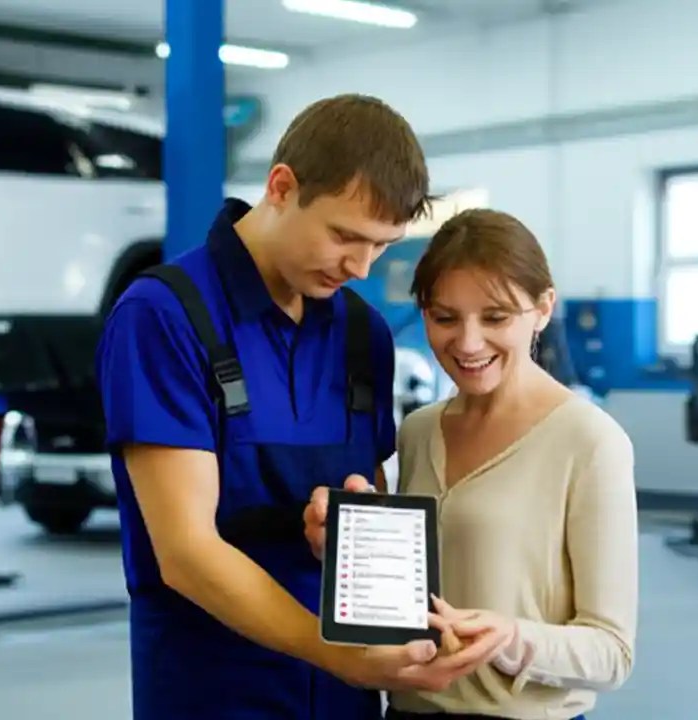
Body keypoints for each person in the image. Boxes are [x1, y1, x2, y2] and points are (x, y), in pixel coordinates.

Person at [95, 95, 512, 720]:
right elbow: (184, 552)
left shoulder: (361, 334)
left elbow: (365, 501)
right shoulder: (162, 316)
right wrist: (334, 653)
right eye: (345, 235)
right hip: (212, 689)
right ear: (282, 187)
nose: (360, 266)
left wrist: (342, 533)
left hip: (345, 695)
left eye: (382, 245)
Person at [305, 208, 639, 720]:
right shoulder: (419, 431)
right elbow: (410, 606)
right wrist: (347, 550)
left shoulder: (590, 441)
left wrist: (511, 638)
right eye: (444, 317)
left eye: (496, 317)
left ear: (543, 308)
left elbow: (612, 653)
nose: (468, 342)